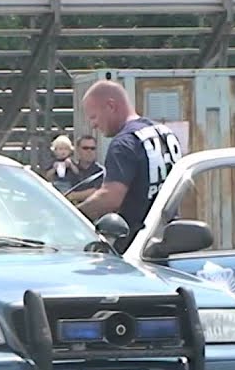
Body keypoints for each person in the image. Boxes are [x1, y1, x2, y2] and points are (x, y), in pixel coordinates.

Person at [76, 80, 182, 248]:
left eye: (93, 117)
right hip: (168, 239)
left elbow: (110, 198)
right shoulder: (164, 133)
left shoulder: (124, 143)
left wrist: (72, 217)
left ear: (111, 106)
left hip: (136, 245)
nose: (93, 125)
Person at [65, 135, 105, 203]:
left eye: (92, 148)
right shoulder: (70, 169)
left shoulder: (101, 171)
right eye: (85, 148)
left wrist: (72, 196)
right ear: (77, 149)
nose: (89, 151)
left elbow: (97, 191)